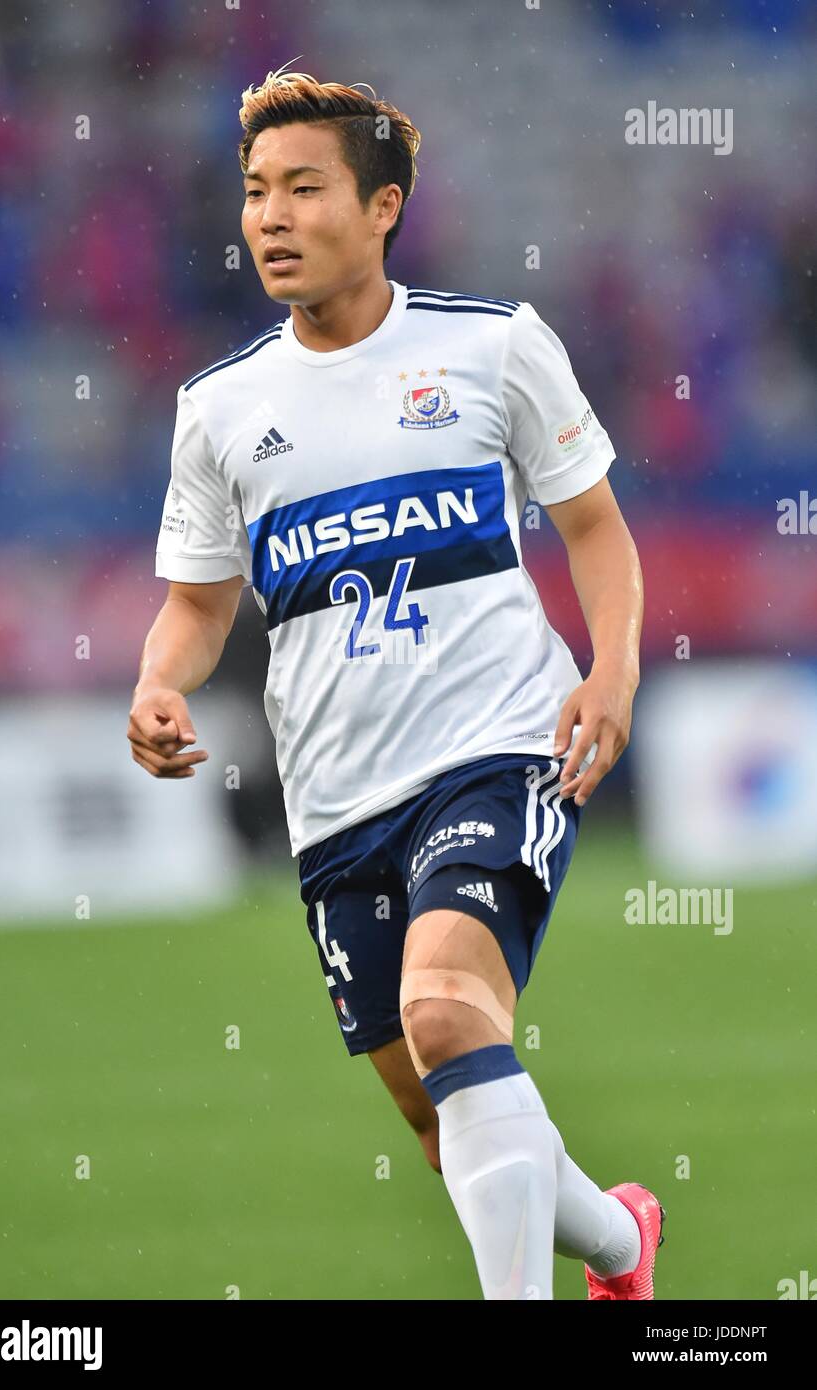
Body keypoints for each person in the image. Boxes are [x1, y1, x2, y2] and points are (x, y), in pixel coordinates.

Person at [128, 63, 663, 1300]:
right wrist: (161, 683)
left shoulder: (493, 349)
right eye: (254, 190)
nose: (268, 215)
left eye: (303, 188)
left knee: (442, 1006)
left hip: (496, 749)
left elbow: (593, 525)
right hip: (335, 808)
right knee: (440, 1111)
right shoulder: (219, 409)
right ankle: (624, 1243)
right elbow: (199, 602)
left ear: (383, 206)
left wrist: (612, 667)